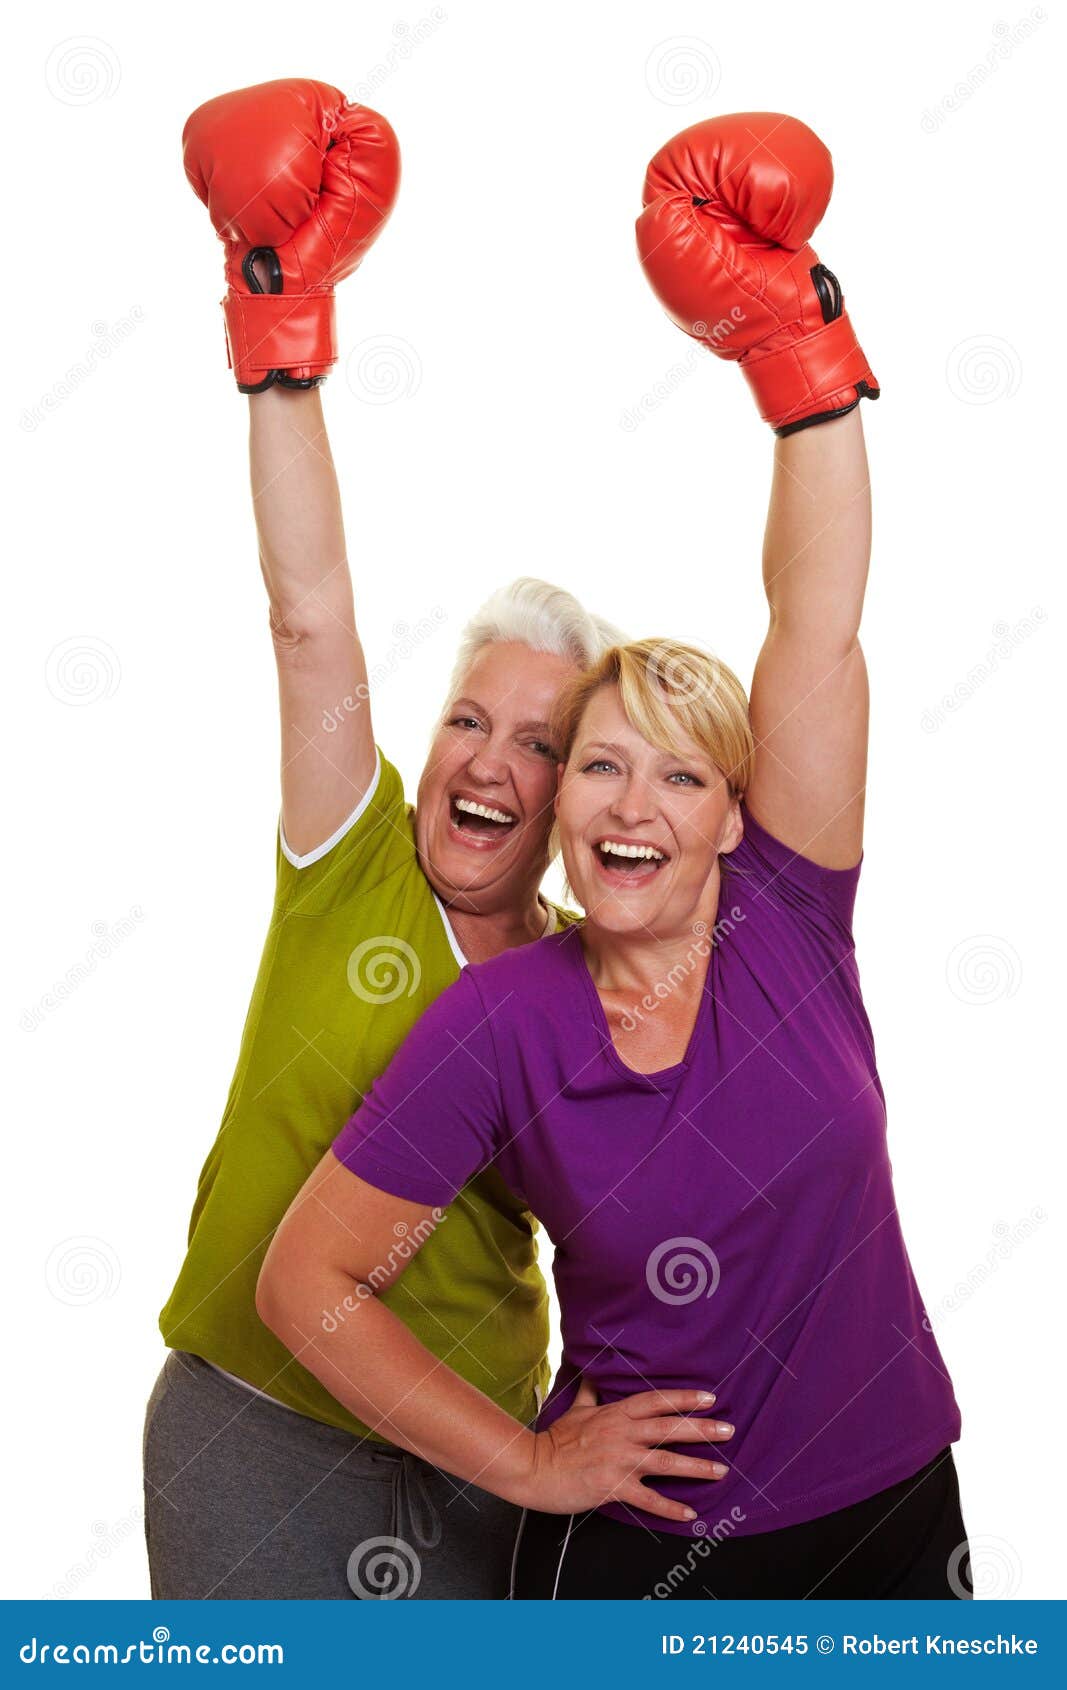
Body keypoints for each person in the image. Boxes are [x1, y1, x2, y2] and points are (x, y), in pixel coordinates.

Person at [256, 113, 972, 1600]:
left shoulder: (792, 912)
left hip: (895, 1500)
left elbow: (817, 619)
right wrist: (525, 1464)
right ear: (561, 804)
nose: (632, 801)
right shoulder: (503, 1017)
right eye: (597, 762)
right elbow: (304, 1283)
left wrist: (799, 363)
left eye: (680, 770)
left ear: (735, 810)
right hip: (640, 1559)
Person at [143, 78, 630, 1602]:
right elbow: (310, 617)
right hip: (261, 1425)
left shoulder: (578, 969)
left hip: (486, 1451)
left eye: (544, 746)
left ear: (571, 798)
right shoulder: (350, 858)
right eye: (472, 721)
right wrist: (277, 334)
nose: (491, 761)